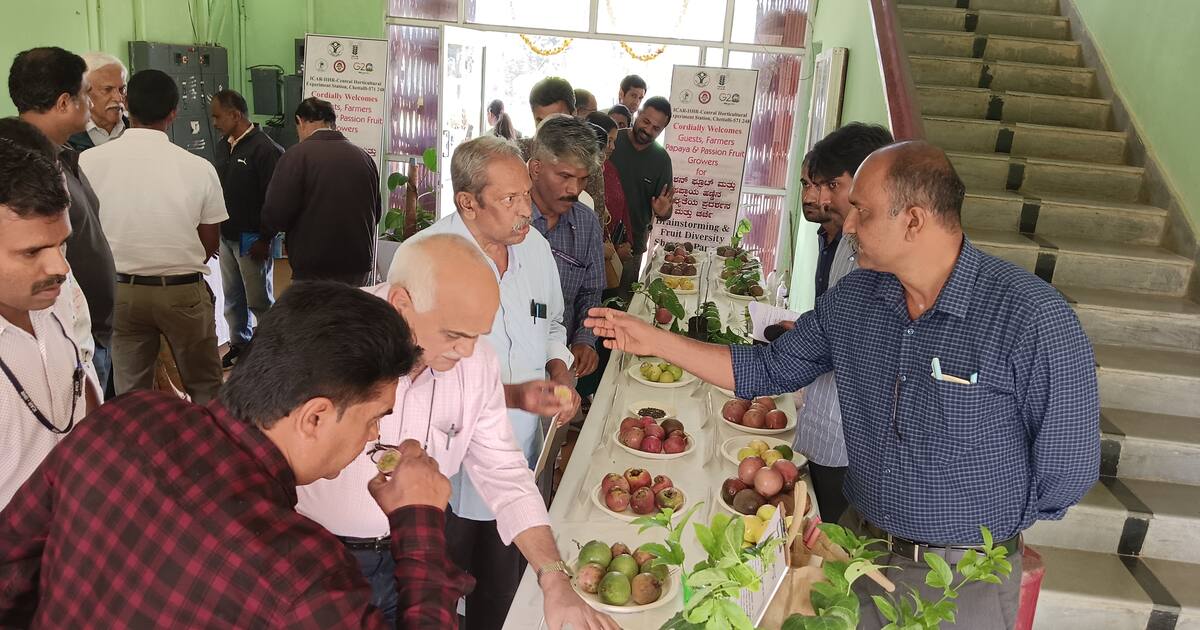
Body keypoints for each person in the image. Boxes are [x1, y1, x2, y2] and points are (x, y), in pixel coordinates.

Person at [585, 141, 1099, 630]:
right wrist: (652, 339)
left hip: (962, 582)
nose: (847, 223)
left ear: (914, 219)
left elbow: (1066, 472)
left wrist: (965, 528)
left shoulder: (1030, 319)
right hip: (856, 550)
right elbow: (768, 370)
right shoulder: (857, 299)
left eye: (863, 211)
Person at [0, 281, 474, 627]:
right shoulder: (302, 572)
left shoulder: (127, 418)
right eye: (374, 418)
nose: (374, 436)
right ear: (314, 417)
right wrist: (418, 520)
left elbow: (11, 571)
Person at [297, 234, 616, 630]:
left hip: (420, 547)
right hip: (320, 556)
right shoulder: (323, 337)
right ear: (401, 305)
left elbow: (506, 475)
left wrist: (554, 578)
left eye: (478, 335)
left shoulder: (474, 361)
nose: (467, 352)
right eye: (454, 335)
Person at [413, 136, 583, 630]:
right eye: (510, 200)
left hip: (522, 452)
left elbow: (552, 324)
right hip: (447, 464)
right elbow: (416, 376)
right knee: (438, 592)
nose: (526, 210)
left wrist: (559, 368)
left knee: (501, 589)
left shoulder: (535, 249)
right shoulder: (427, 258)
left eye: (527, 195)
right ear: (468, 202)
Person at [80, 69, 226, 404]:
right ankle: (210, 450)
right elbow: (210, 243)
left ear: (127, 104)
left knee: (132, 393)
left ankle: (142, 452)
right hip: (182, 292)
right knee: (204, 385)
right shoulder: (199, 168)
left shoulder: (88, 161)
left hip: (120, 292)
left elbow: (86, 232)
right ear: (174, 112)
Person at [789, 123, 893, 524]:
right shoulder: (850, 244)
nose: (821, 198)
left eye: (833, 184)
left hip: (855, 445)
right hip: (826, 428)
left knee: (838, 540)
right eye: (813, 185)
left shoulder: (889, 265)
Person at [0, 127, 101, 508]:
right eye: (32, 252)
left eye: (61, 244)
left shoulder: (48, 297)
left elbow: (77, 377)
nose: (60, 266)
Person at [10, 47, 117, 395]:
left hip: (88, 332)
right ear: (63, 103)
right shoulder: (23, 171)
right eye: (87, 93)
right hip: (62, 336)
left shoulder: (63, 156)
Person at [261, 97, 381, 286]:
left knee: (313, 316)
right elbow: (377, 213)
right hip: (357, 265)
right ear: (332, 123)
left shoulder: (295, 156)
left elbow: (276, 214)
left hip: (312, 267)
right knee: (351, 315)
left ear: (300, 121)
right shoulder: (363, 158)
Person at [210, 88, 285, 368]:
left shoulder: (265, 150)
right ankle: (239, 345)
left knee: (259, 299)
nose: (215, 122)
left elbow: (275, 200)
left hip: (252, 237)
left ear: (235, 114)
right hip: (226, 235)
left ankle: (272, 352)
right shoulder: (222, 146)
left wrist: (266, 238)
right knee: (232, 297)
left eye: (218, 117)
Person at [529, 115, 605, 379]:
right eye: (565, 176)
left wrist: (585, 339)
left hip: (562, 362)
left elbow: (591, 292)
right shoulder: (508, 217)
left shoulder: (587, 223)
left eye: (583, 179)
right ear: (536, 168)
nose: (574, 189)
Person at [608, 95, 674, 297]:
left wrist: (664, 212)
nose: (648, 130)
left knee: (621, 307)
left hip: (631, 248)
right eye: (646, 121)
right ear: (637, 114)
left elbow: (665, 210)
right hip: (597, 242)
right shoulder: (612, 141)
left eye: (656, 128)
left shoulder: (661, 159)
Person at [66, 51, 128, 151]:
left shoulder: (138, 130)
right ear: (83, 92)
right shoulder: (65, 138)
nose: (119, 98)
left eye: (122, 90)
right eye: (107, 89)